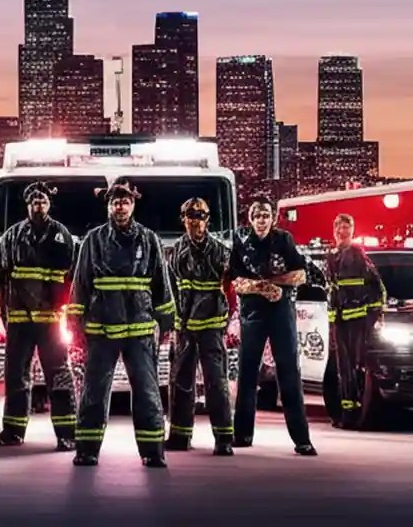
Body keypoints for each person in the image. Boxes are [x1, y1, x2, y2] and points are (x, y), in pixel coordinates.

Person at [67, 178, 176, 468]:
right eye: (115, 202)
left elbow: (161, 285)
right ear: (108, 206)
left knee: (148, 393)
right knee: (94, 392)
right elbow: (81, 284)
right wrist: (76, 324)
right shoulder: (94, 240)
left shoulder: (150, 239)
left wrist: (166, 322)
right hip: (102, 330)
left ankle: (153, 452)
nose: (120, 206)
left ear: (133, 204)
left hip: (139, 331)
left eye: (125, 201)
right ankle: (87, 450)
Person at [0, 181, 78, 451]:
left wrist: (67, 313)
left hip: (50, 321)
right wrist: (6, 312)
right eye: (34, 202)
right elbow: (0, 275)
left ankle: (67, 433)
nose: (39, 205)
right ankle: (13, 431)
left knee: (59, 374)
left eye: (43, 201)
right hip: (20, 321)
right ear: (27, 205)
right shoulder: (12, 237)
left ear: (49, 205)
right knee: (16, 376)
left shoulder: (61, 235)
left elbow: (72, 278)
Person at [229, 196, 317, 456]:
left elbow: (301, 274)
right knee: (247, 374)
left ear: (273, 218)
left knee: (289, 373)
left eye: (266, 215)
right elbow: (235, 279)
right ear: (250, 218)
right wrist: (264, 287)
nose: (261, 220)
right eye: (257, 215)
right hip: (252, 314)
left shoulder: (284, 240)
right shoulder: (240, 241)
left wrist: (273, 284)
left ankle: (302, 439)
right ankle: (242, 435)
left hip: (282, 315)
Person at [165, 197, 236, 456]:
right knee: (180, 381)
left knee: (216, 382)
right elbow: (170, 290)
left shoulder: (220, 251)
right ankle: (179, 436)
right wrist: (173, 323)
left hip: (211, 325)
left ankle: (224, 439)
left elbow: (231, 289)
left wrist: (228, 321)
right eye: (191, 215)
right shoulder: (175, 253)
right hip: (184, 326)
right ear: (183, 218)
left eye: (201, 215)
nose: (196, 220)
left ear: (208, 220)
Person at [324, 213, 386, 430]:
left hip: (356, 320)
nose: (342, 232)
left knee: (354, 367)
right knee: (343, 368)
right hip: (338, 319)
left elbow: (377, 285)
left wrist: (375, 314)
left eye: (346, 228)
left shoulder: (358, 253)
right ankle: (344, 413)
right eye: (339, 228)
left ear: (352, 231)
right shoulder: (331, 254)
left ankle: (355, 414)